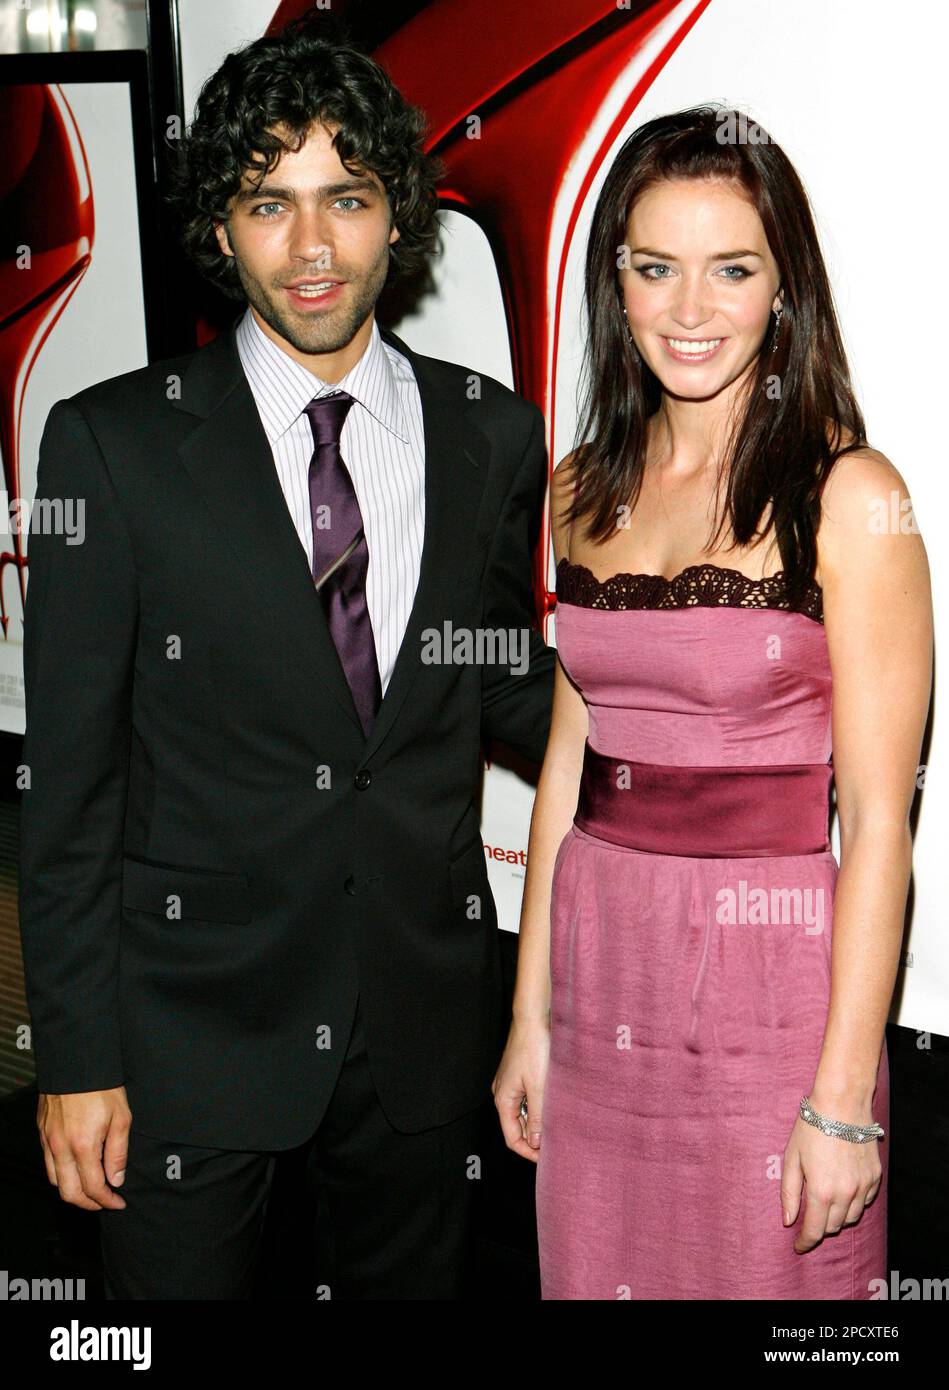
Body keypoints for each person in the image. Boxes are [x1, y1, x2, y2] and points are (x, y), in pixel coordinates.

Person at [18, 15, 554, 1300]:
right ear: (220, 224)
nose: (312, 250)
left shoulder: (492, 437)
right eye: (271, 202)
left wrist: (700, 734)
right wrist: (76, 1058)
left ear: (396, 217)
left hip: (420, 1031)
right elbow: (71, 789)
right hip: (189, 1034)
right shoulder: (113, 449)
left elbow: (491, 676)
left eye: (347, 199)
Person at [494, 106, 933, 1300]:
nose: (689, 311)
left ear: (783, 287)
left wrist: (843, 1099)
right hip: (602, 979)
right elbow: (564, 776)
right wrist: (528, 1017)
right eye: (654, 268)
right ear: (615, 282)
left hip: (771, 990)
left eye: (731, 269)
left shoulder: (851, 496)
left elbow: (881, 825)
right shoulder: (582, 484)